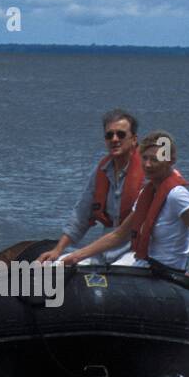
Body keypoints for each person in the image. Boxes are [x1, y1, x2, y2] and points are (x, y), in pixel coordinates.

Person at [59, 130, 189, 276]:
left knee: (106, 278)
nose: (147, 165)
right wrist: (76, 256)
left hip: (164, 270)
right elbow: (118, 235)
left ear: (170, 161)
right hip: (143, 262)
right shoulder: (146, 193)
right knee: (60, 264)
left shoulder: (177, 195)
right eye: (145, 158)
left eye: (155, 159)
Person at [37, 109, 142, 265]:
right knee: (56, 265)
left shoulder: (147, 171)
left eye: (120, 134)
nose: (114, 139)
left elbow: (122, 234)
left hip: (135, 249)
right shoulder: (101, 171)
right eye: (109, 135)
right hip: (106, 248)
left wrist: (79, 254)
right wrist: (58, 250)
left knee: (115, 272)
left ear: (133, 139)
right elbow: (81, 215)